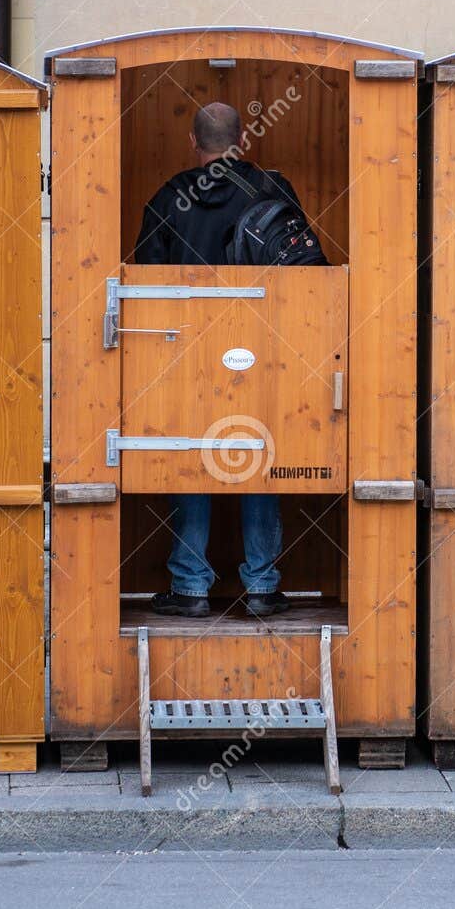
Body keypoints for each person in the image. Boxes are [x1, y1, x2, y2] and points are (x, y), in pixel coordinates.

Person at [133, 101, 298, 619]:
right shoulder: (273, 191)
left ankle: (190, 586)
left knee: (192, 456)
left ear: (192, 142)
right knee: (257, 450)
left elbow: (144, 282)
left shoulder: (168, 198)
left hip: (187, 351)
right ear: (242, 139)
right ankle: (262, 586)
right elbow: (304, 270)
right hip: (263, 347)